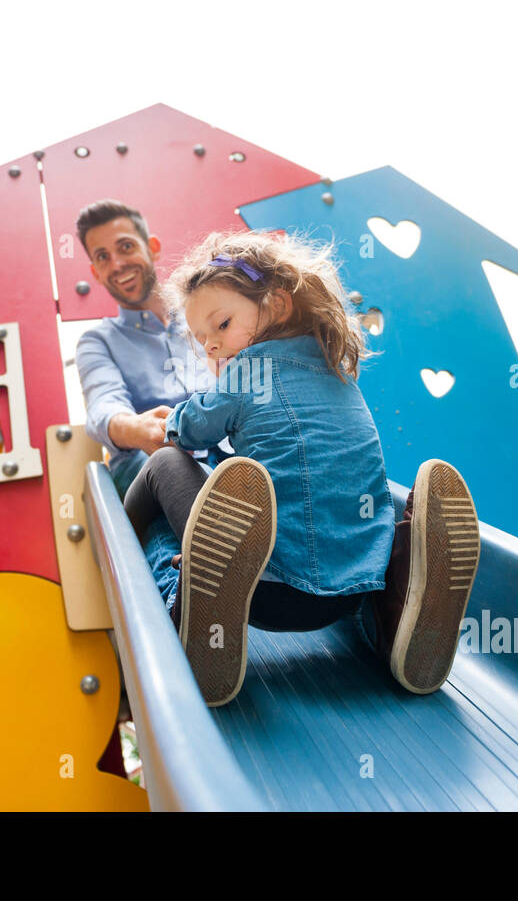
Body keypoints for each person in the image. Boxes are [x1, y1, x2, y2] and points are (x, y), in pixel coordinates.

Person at [122, 229, 482, 706]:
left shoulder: (244, 372)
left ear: (277, 305)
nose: (211, 346)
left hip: (263, 587)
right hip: (352, 589)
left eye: (222, 324)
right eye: (201, 340)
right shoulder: (338, 375)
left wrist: (172, 425)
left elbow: (191, 431)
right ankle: (396, 595)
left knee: (165, 467)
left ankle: (179, 600)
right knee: (308, 489)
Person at [73, 199, 229, 500]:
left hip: (229, 453)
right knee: (166, 463)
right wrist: (136, 428)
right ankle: (176, 549)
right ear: (95, 272)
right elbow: (103, 405)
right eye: (103, 257)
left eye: (126, 247)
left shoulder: (208, 314)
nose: (117, 264)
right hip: (155, 469)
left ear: (152, 247)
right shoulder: (97, 342)